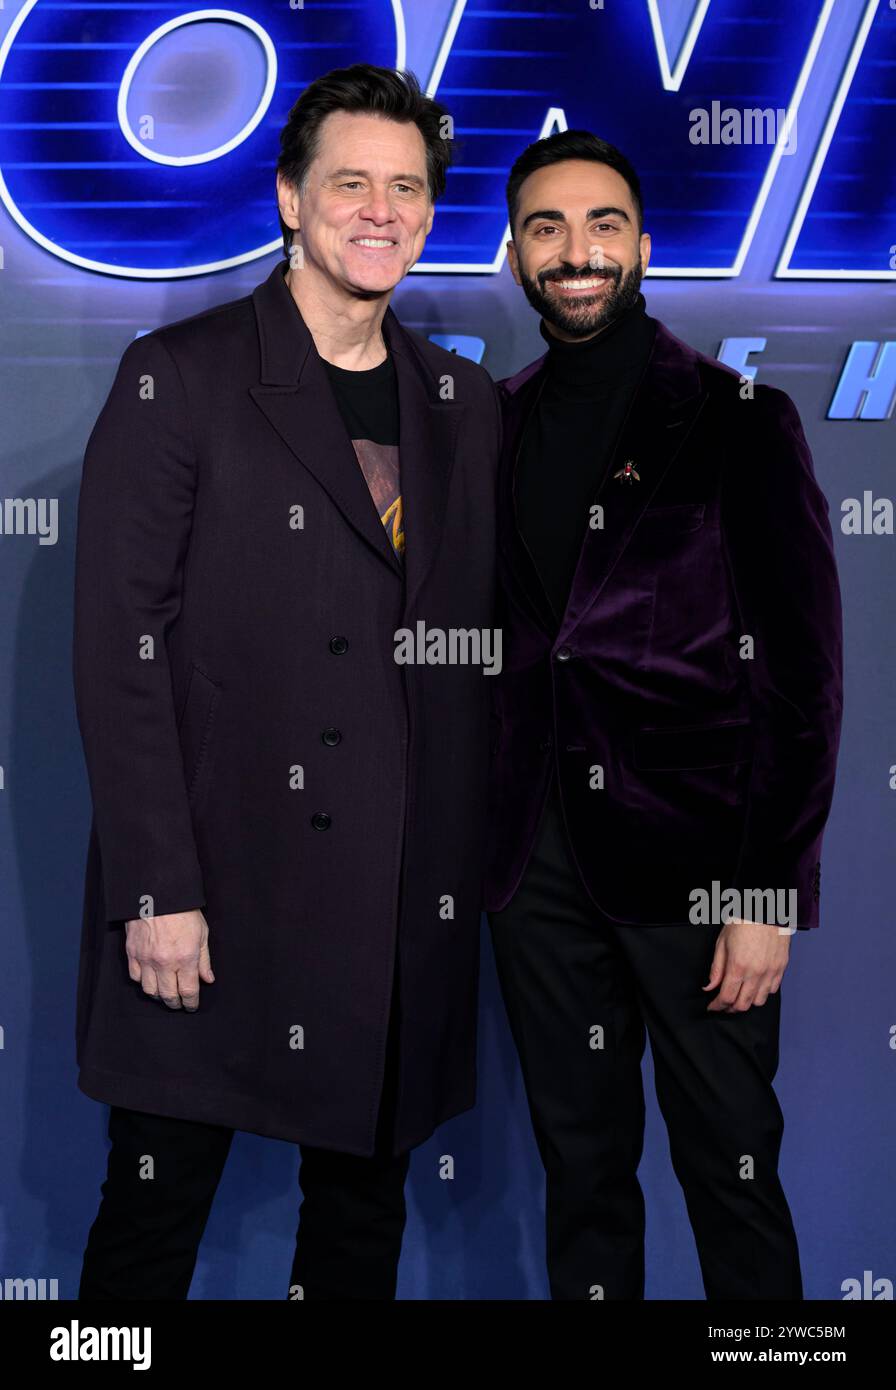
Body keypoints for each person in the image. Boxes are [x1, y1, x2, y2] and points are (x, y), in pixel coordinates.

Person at [73, 64, 500, 1301]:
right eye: (350, 183)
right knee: (149, 1229)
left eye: (407, 188)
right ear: (288, 202)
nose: (381, 211)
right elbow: (120, 646)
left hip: (390, 903)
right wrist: (159, 887)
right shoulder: (181, 375)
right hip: (215, 892)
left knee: (358, 1231)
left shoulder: (459, 401)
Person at [485, 130, 843, 1300]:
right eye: (546, 227)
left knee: (731, 1171)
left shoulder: (740, 417)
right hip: (533, 871)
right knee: (580, 1171)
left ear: (641, 246)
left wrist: (763, 890)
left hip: (700, 866)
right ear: (514, 254)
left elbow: (800, 680)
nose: (574, 250)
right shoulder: (484, 429)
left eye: (599, 225)